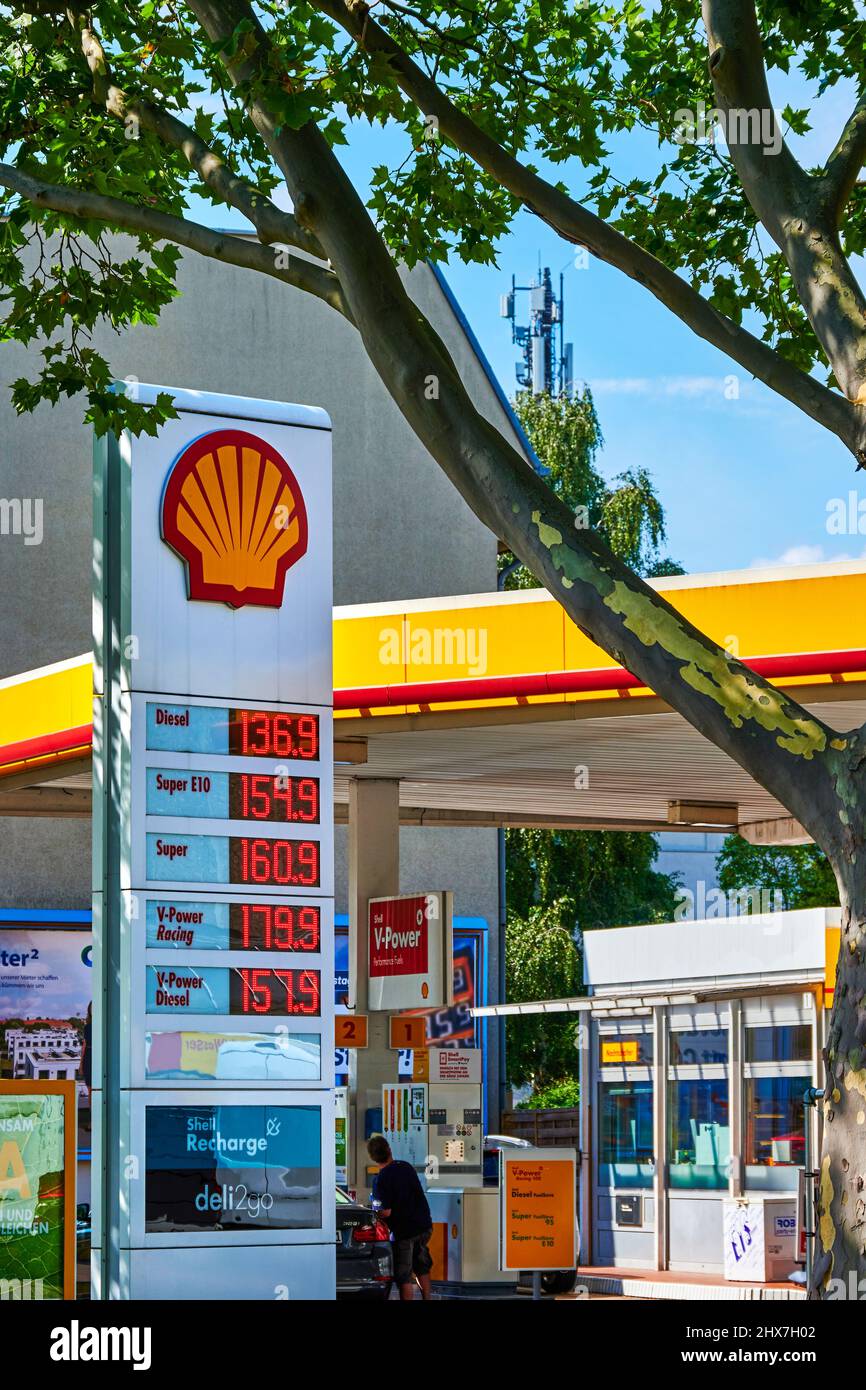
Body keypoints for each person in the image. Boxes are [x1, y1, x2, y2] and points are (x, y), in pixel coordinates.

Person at [367, 1135, 433, 1301]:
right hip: (424, 1225)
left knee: (403, 1275)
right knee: (422, 1266)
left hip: (404, 1232)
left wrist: (374, 1211)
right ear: (389, 1149)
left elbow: (386, 1212)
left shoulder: (380, 1179)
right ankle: (427, 1298)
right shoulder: (405, 1167)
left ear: (373, 1157)